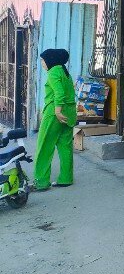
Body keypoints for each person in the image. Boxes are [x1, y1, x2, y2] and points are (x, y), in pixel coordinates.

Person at [33, 48, 77, 191]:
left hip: (54, 114)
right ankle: (66, 178)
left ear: (50, 60)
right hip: (69, 113)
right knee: (65, 146)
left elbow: (59, 93)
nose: (42, 63)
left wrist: (57, 111)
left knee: (44, 146)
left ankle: (41, 182)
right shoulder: (65, 72)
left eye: (43, 60)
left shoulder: (53, 72)